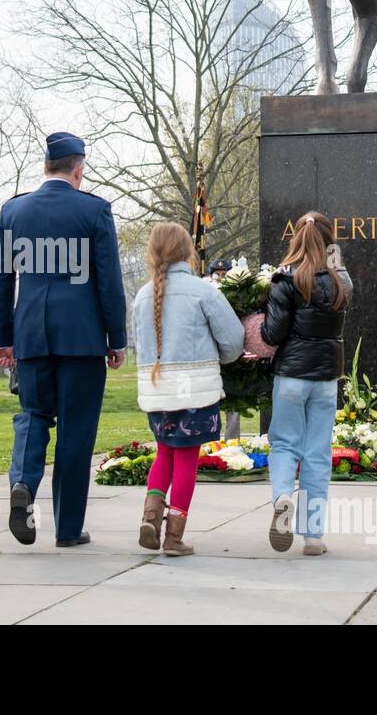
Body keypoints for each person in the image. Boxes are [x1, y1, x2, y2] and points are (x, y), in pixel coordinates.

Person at [0, 132, 128, 547]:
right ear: (78, 168)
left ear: (48, 166)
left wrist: (1, 338)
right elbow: (109, 282)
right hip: (81, 337)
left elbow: (0, 280)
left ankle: (24, 483)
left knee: (33, 414)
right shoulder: (94, 211)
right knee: (76, 430)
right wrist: (116, 338)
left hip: (30, 333)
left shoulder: (12, 211)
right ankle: (67, 529)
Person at [133, 223, 244, 556]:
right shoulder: (204, 291)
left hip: (157, 391)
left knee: (164, 451)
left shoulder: (142, 295)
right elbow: (233, 339)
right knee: (185, 457)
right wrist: (220, 358)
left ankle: (150, 518)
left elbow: (141, 345)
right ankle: (174, 536)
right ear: (187, 252)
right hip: (195, 390)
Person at [260, 211, 352, 557]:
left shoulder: (286, 280)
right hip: (326, 379)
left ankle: (283, 496)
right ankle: (313, 536)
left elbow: (272, 333)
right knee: (317, 453)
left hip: (292, 376)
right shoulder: (343, 280)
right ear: (331, 240)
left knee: (284, 445)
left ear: (295, 238)